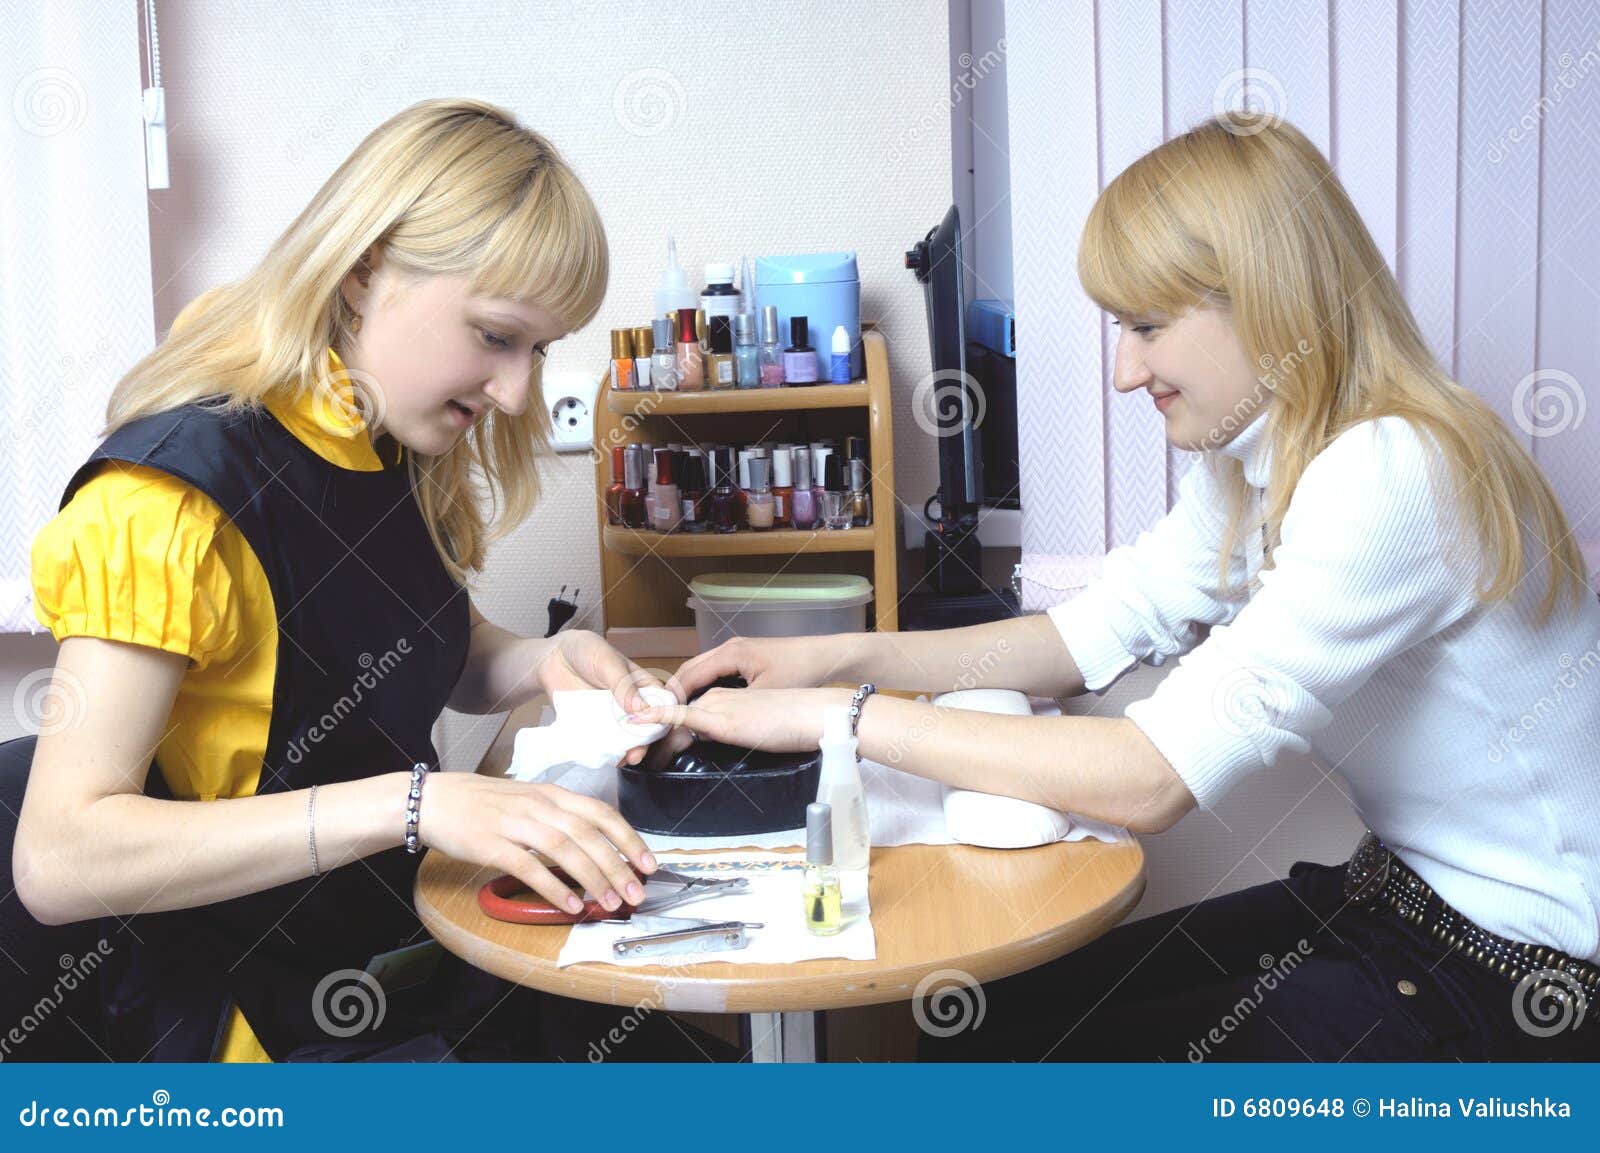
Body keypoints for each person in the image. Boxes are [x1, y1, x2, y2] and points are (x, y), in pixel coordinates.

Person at [640, 114, 1600, 1060]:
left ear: (1266, 301)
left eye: (1145, 326)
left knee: (1027, 1065)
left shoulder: (1392, 473)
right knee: (1002, 1019)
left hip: (1517, 976)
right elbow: (1083, 637)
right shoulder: (1259, 460)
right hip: (1396, 902)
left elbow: (1150, 778)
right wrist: (835, 654)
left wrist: (837, 716)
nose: (1124, 370)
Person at [9, 99, 724, 1063]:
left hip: (373, 949)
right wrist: (419, 802)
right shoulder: (170, 498)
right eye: (496, 336)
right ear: (361, 274)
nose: (517, 392)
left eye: (541, 350)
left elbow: (430, 651)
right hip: (229, 1012)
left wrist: (545, 662)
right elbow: (59, 860)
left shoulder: (385, 444)